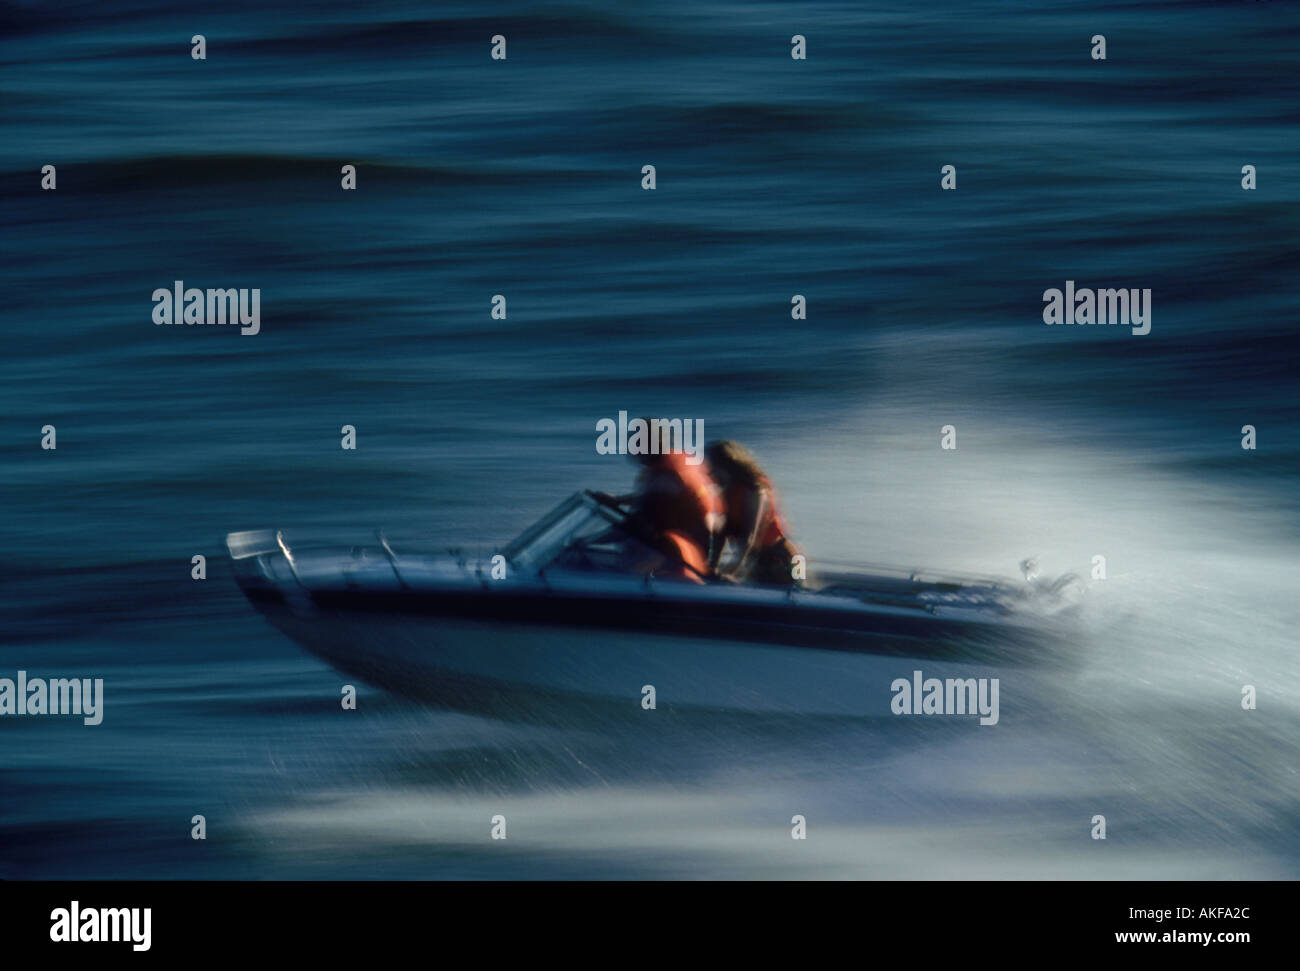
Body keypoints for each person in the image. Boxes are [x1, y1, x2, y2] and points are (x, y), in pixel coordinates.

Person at [607, 442, 721, 582]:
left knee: (624, 572)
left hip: (676, 552)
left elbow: (640, 518)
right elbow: (653, 497)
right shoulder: (666, 471)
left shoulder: (667, 477)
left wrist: (591, 539)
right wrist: (618, 501)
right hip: (682, 545)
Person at [705, 440, 800, 586]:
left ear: (726, 465)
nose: (709, 472)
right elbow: (720, 537)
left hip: (783, 560)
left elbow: (750, 538)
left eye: (712, 467)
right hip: (758, 561)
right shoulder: (726, 493)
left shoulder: (755, 489)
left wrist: (726, 572)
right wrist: (711, 569)